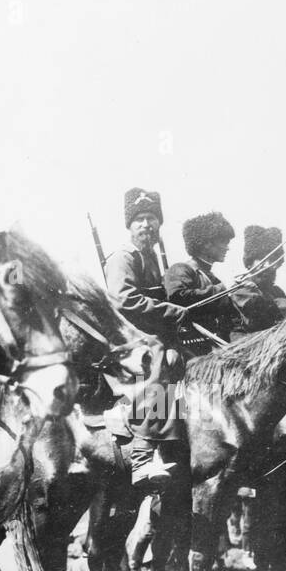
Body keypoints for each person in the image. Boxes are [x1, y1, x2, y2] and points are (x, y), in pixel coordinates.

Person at [102, 187, 190, 489]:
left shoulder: (151, 259)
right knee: (158, 361)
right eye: (139, 219)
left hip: (147, 333)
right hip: (126, 336)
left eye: (152, 218)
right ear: (129, 225)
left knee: (181, 361)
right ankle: (141, 456)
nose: (146, 225)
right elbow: (124, 300)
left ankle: (167, 441)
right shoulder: (124, 257)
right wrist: (170, 311)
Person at [164, 210, 252, 351]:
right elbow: (178, 298)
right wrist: (224, 289)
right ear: (206, 244)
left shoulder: (212, 277)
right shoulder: (180, 269)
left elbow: (232, 320)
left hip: (218, 348)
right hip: (192, 349)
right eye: (223, 242)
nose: (227, 248)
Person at [231, 225, 286, 336]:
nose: (268, 265)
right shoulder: (241, 289)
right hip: (245, 345)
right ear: (249, 263)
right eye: (262, 259)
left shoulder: (276, 291)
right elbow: (262, 310)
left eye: (272, 260)